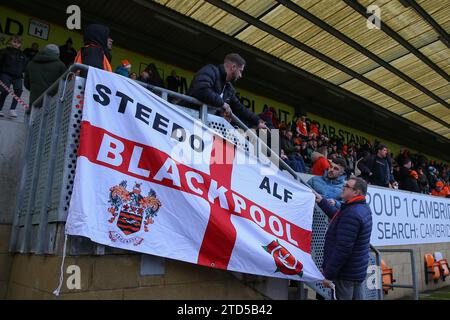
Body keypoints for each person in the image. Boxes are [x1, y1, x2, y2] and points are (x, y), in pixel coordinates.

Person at [314, 177, 373, 300]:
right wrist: (322, 202)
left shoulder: (352, 213)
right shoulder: (359, 207)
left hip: (345, 274)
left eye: (347, 186)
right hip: (355, 271)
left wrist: (328, 274)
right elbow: (339, 217)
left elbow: (342, 249)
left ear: (356, 192)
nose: (343, 187)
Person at [187, 53, 267, 129]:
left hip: (202, 125)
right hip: (186, 118)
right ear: (233, 67)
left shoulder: (228, 88)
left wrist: (257, 121)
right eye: (240, 71)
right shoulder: (211, 70)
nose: (240, 75)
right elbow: (202, 90)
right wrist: (222, 104)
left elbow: (240, 108)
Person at [0, 36, 27, 118]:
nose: (16, 44)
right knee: (4, 91)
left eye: (18, 43)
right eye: (14, 42)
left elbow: (25, 66)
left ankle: (12, 109)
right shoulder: (4, 51)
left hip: (17, 76)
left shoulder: (22, 55)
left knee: (19, 90)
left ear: (20, 45)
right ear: (10, 42)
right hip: (5, 74)